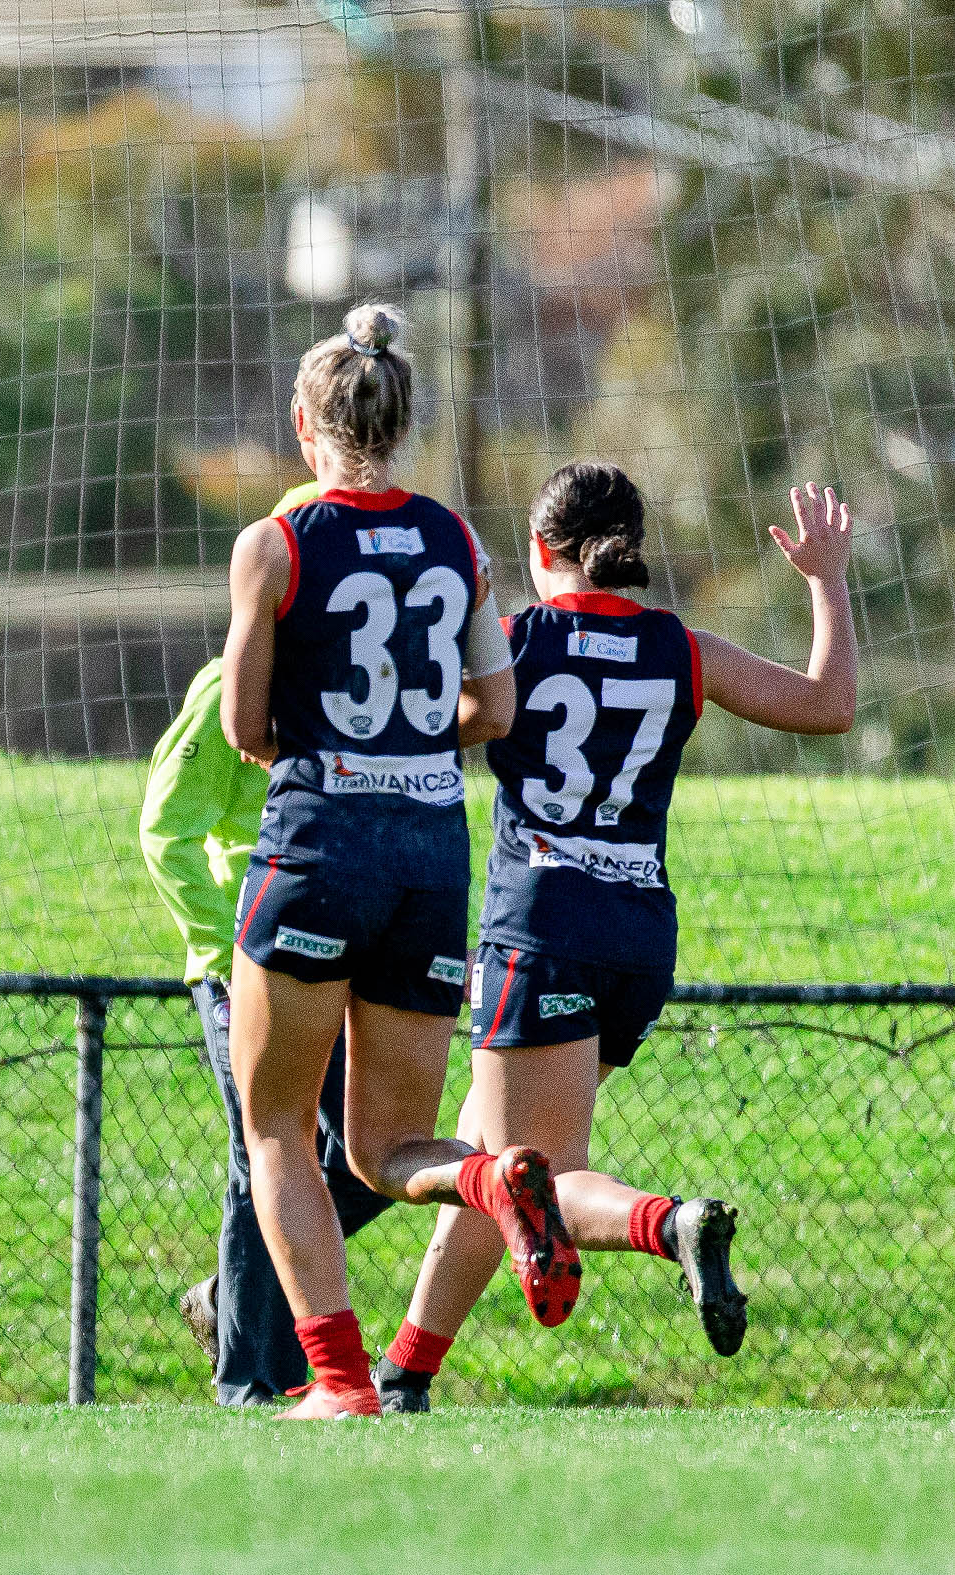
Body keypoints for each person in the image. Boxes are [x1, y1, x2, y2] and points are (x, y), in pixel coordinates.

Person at [374, 465, 856, 1412]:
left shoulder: (512, 644)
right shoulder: (684, 650)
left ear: (539, 550)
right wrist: (826, 578)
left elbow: (410, 718)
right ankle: (405, 1375)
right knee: (491, 1162)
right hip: (638, 938)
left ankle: (668, 1222)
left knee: (536, 1180)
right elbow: (826, 705)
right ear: (630, 545)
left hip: (542, 932)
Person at [218, 302, 554, 1420]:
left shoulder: (274, 540)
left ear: (305, 427)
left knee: (276, 1129)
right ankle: (489, 1176)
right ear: (401, 423)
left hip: (318, 844)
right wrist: (407, 744)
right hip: (428, 854)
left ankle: (338, 1382)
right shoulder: (461, 542)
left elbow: (244, 726)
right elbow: (495, 707)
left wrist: (336, 750)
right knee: (385, 1150)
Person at [139, 488, 395, 1408]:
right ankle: (253, 1380)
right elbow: (163, 830)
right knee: (267, 1154)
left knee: (372, 1156)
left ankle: (228, 1299)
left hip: (335, 954)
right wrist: (222, 949)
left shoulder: (349, 694)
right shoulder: (224, 690)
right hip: (242, 962)